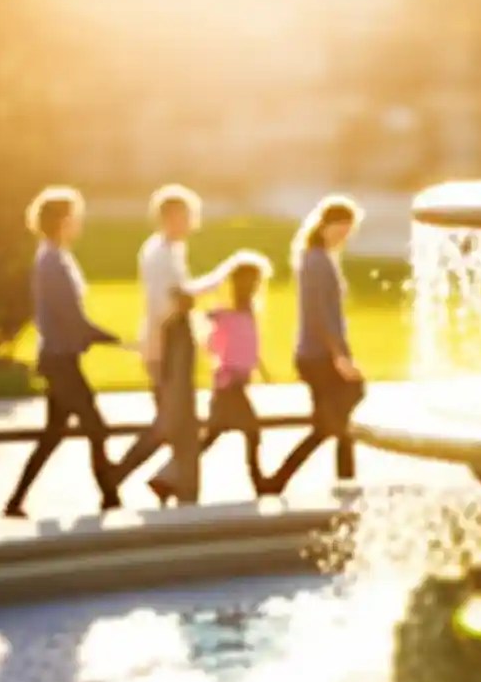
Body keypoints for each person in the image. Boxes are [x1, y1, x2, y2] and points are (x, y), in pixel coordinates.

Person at [4, 186, 127, 519]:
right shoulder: (52, 263)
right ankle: (110, 497)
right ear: (62, 221)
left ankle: (15, 502)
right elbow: (72, 319)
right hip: (60, 361)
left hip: (60, 357)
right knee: (96, 427)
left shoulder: (54, 257)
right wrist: (116, 340)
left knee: (54, 434)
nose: (79, 224)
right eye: (75, 218)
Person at [112, 184, 223, 501]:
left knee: (182, 426)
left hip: (174, 341)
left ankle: (176, 485)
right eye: (188, 216)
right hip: (169, 343)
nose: (193, 222)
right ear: (172, 217)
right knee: (174, 424)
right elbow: (172, 302)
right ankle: (117, 476)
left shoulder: (171, 250)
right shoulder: (159, 253)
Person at [147, 251, 274, 505]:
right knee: (251, 432)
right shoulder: (226, 314)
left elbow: (247, 344)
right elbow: (214, 339)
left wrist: (258, 366)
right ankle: (261, 484)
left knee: (210, 437)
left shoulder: (245, 312)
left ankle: (166, 477)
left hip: (234, 383)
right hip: (230, 385)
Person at [263, 195, 366, 495]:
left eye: (349, 230)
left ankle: (340, 481)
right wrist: (339, 357)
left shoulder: (317, 258)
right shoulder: (317, 261)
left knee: (336, 422)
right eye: (342, 228)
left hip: (321, 354)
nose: (345, 236)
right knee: (337, 417)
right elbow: (321, 315)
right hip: (319, 355)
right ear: (325, 226)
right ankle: (282, 481)